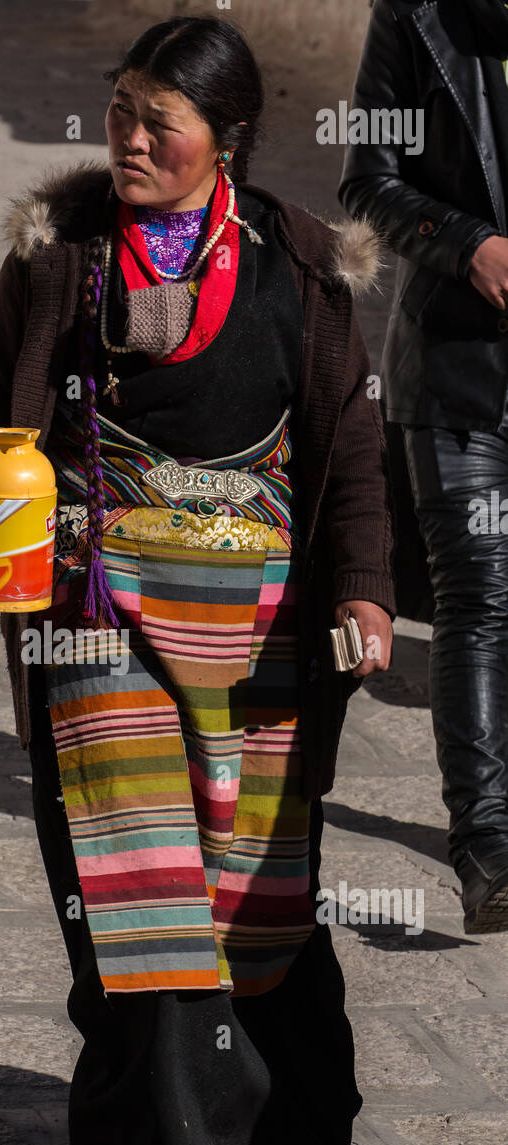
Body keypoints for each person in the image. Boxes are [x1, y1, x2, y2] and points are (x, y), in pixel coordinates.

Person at [0, 15, 395, 1145]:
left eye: (162, 119)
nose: (130, 137)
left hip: (257, 639)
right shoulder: (59, 255)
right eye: (120, 108)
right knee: (135, 890)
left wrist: (360, 586)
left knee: (254, 895)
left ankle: (267, 1124)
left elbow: (349, 443)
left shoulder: (298, 266)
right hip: (93, 619)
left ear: (227, 140)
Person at [339, 0, 508, 932]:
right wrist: (469, 245)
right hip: (456, 369)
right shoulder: (416, 14)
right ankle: (486, 847)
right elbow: (367, 180)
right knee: (477, 601)